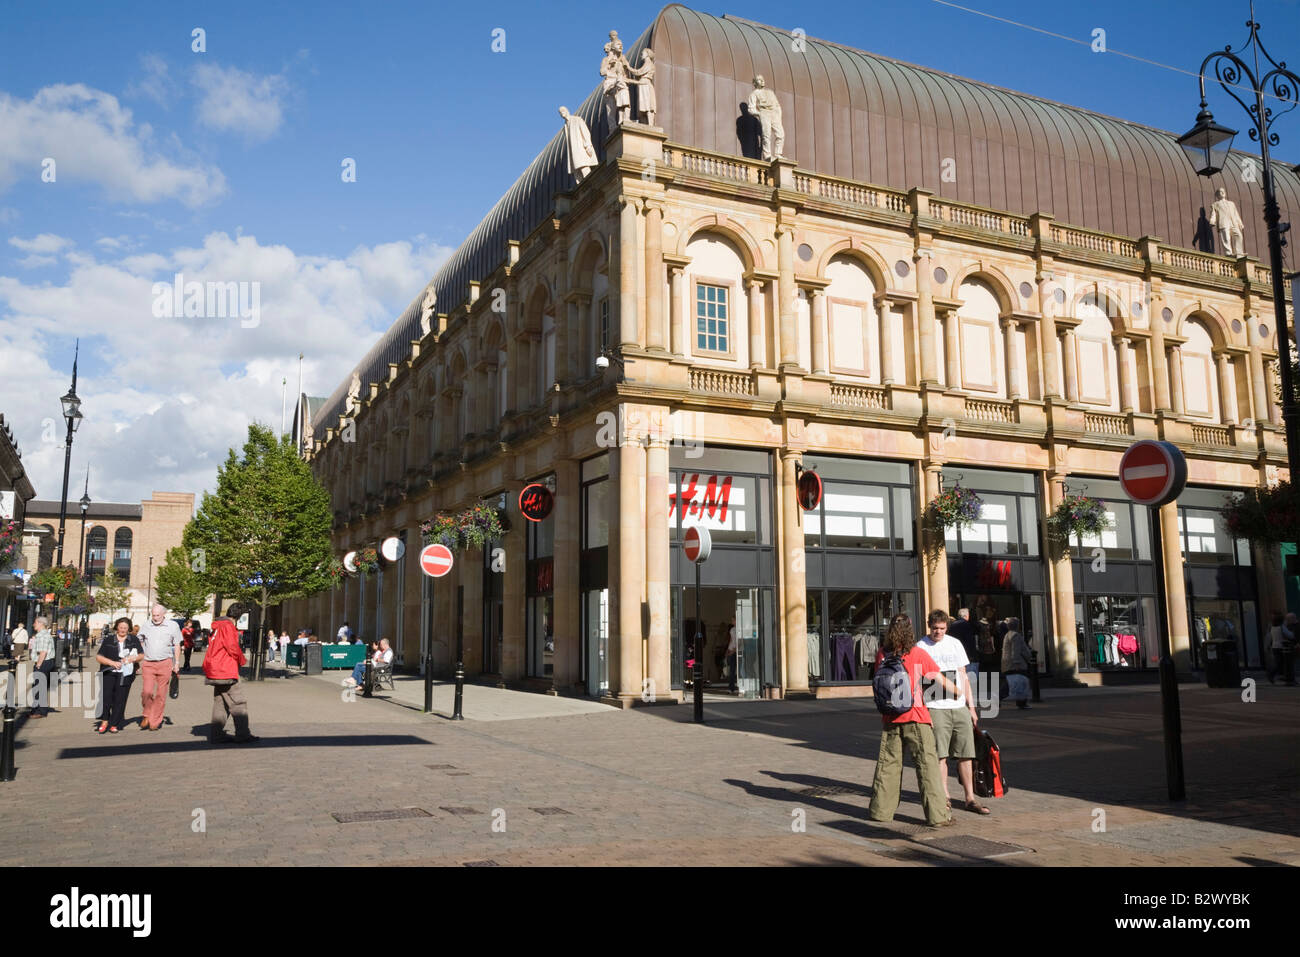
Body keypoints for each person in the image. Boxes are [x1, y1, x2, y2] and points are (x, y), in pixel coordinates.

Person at [867, 613, 961, 828]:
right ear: (910, 631)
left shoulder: (883, 653)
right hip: (916, 716)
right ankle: (938, 816)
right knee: (927, 767)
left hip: (890, 716)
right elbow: (938, 679)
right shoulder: (917, 653)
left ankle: (880, 812)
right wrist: (958, 692)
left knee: (888, 766)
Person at [918, 610, 989, 815]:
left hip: (958, 706)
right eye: (934, 629)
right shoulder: (921, 646)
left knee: (966, 754)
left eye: (941, 628)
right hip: (935, 706)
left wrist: (972, 707)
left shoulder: (955, 644)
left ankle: (970, 798)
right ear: (929, 626)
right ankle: (945, 797)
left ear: (946, 627)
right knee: (941, 755)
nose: (938, 632)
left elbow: (964, 676)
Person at [203, 616, 258, 744]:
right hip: (226, 670)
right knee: (238, 702)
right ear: (237, 618)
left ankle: (217, 735)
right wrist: (242, 660)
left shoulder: (217, 627)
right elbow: (232, 646)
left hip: (216, 670)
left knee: (220, 703)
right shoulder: (227, 626)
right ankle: (243, 734)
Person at [136, 604, 182, 731]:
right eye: (153, 615)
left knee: (161, 695)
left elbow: (177, 644)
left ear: (163, 614)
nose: (155, 618)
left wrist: (177, 663)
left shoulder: (173, 626)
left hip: (165, 663)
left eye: (157, 615)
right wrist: (140, 658)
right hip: (148, 663)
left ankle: (155, 721)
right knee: (147, 692)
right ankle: (147, 714)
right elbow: (139, 640)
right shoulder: (146, 625)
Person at [95, 616, 144, 733]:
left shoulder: (133, 640)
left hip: (126, 673)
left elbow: (141, 655)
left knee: (120, 699)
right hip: (109, 672)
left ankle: (114, 723)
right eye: (121, 627)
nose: (122, 630)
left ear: (129, 629)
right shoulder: (109, 640)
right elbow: (99, 657)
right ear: (117, 627)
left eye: (125, 628)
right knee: (106, 697)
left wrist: (132, 659)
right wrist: (111, 663)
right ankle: (105, 720)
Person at [1001, 618, 1033, 709]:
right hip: (1017, 664)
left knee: (1010, 683)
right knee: (1022, 682)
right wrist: (1017, 663)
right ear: (1017, 626)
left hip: (1008, 664)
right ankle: (1022, 702)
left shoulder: (1007, 635)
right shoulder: (1016, 636)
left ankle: (1020, 702)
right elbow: (1016, 650)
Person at [27, 616, 56, 717]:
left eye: (35, 622)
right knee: (41, 687)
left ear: (40, 623)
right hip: (48, 662)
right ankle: (37, 709)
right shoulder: (45, 634)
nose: (33, 624)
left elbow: (43, 652)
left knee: (38, 687)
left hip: (43, 662)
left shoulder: (42, 635)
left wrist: (38, 664)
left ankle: (39, 711)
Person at [946, 608, 979, 682]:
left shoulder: (951, 626)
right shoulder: (968, 625)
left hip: (955, 657)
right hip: (968, 658)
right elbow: (970, 642)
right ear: (967, 616)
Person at [1267, 612, 1286, 684]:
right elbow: (1289, 634)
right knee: (1280, 662)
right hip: (1280, 646)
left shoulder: (1271, 626)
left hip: (1274, 646)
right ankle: (1271, 674)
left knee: (1279, 662)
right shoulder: (1281, 627)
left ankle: (1281, 675)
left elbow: (1270, 637)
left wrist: (1269, 645)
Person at [726, 618, 738, 693]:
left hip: (737, 651)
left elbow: (740, 641)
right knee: (732, 670)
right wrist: (727, 649)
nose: (732, 621)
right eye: (732, 620)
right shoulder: (732, 629)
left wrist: (733, 651)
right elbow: (731, 640)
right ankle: (731, 687)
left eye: (733, 620)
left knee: (740, 670)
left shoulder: (739, 629)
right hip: (731, 650)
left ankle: (742, 687)